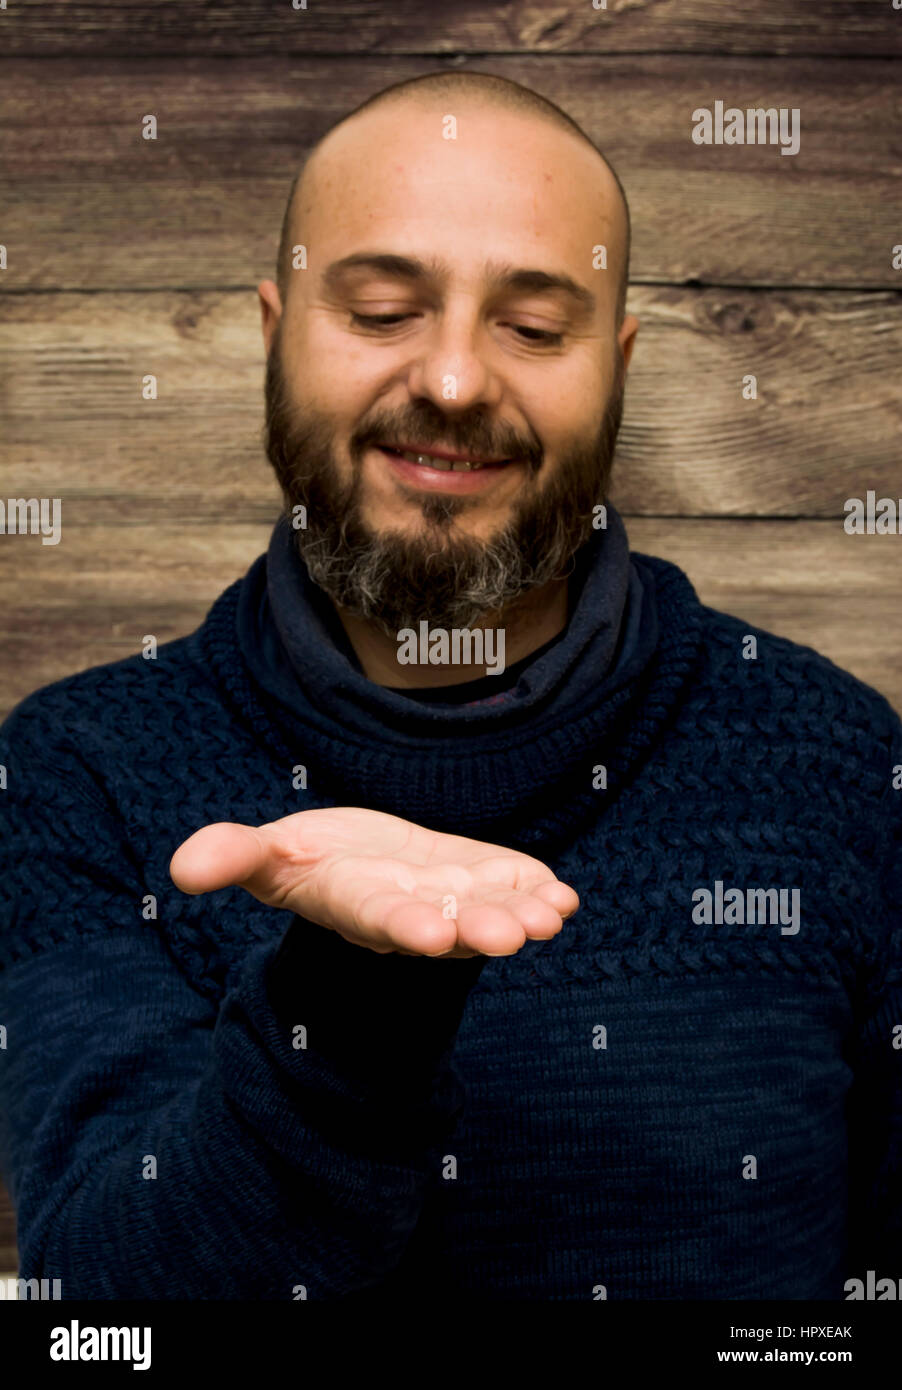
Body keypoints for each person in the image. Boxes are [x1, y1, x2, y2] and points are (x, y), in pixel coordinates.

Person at [0, 70, 899, 1301]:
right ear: (274, 337)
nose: (458, 382)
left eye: (533, 329)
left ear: (617, 369)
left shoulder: (840, 768)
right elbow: (109, 1318)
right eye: (379, 310)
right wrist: (344, 1008)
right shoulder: (75, 776)